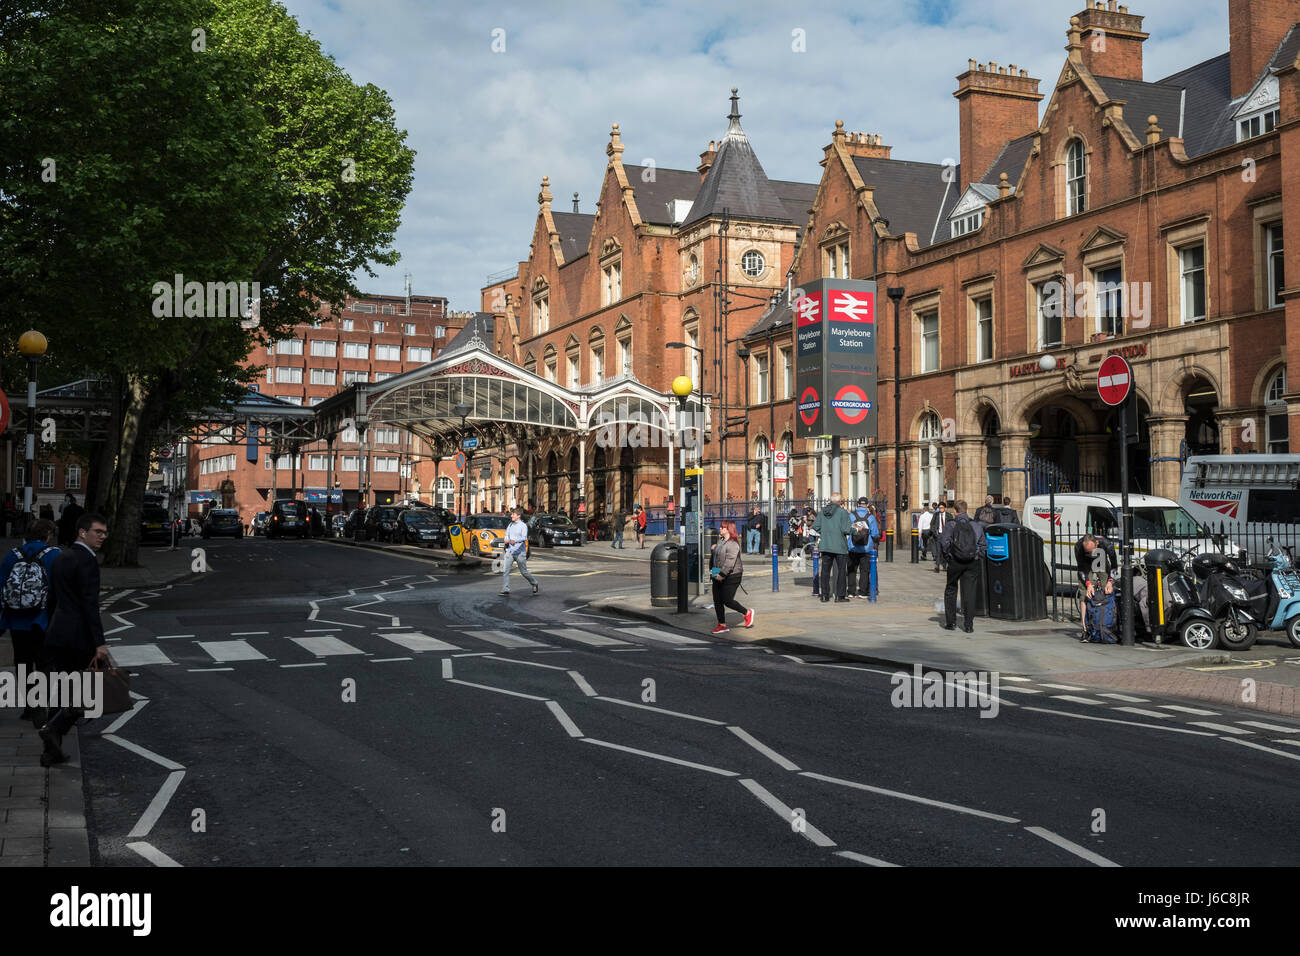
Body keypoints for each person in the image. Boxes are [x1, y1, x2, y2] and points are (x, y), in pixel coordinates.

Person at [38, 513, 110, 767]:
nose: (103, 536)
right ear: (82, 532)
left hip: (59, 633)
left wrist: (52, 628)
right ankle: (54, 728)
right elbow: (90, 606)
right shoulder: (87, 561)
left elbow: (52, 600)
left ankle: (50, 752)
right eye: (98, 532)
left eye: (104, 532)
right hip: (80, 637)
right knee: (88, 692)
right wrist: (99, 643)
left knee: (60, 689)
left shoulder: (61, 557)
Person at [0, 519, 60, 723]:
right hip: (42, 620)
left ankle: (29, 707)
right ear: (48, 536)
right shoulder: (54, 555)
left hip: (16, 621)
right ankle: (41, 709)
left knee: (23, 664)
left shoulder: (11, 555)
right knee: (44, 663)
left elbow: (1, 587)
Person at [939, 500, 986, 633]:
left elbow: (944, 542)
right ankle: (969, 625)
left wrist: (949, 556)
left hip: (955, 562)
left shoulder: (951, 525)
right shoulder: (976, 525)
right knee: (970, 593)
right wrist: (977, 556)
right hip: (972, 562)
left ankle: (951, 623)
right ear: (966, 510)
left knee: (951, 589)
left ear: (955, 511)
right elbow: (983, 545)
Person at [709, 521, 752, 634]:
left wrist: (721, 575)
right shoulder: (721, 541)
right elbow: (717, 558)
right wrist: (714, 549)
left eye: (722, 527)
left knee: (727, 600)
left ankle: (747, 613)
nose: (720, 529)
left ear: (729, 529)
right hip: (717, 572)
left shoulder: (733, 544)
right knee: (717, 600)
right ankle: (722, 625)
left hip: (732, 575)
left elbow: (730, 562)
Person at [1076, 532, 1119, 640]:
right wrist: (1088, 584)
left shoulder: (1107, 545)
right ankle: (1085, 630)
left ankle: (1108, 624)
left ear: (1097, 543)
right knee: (1084, 594)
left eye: (1092, 551)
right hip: (1085, 566)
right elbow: (1081, 568)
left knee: (1108, 591)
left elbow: (1114, 566)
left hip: (1101, 562)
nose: (1090, 553)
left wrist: (1110, 581)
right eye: (1087, 552)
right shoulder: (1078, 546)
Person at [812, 492, 852, 603]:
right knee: (841, 571)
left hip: (825, 545)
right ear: (840, 501)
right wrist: (856, 529)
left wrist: (824, 532)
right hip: (840, 546)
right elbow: (846, 529)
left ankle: (824, 596)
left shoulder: (822, 512)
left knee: (825, 571)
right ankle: (840, 596)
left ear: (830, 500)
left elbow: (815, 526)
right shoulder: (842, 512)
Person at [499, 507, 539, 596]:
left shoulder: (523, 525)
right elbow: (506, 535)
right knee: (506, 570)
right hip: (510, 551)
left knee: (524, 572)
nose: (511, 515)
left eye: (513, 514)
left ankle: (534, 583)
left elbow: (524, 537)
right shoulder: (510, 525)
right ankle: (505, 589)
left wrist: (514, 541)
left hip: (520, 553)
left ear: (518, 516)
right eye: (511, 514)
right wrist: (506, 539)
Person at [846, 497, 879, 600]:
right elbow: (875, 534)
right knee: (864, 570)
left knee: (852, 570)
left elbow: (846, 529)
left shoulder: (851, 515)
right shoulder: (870, 517)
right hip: (866, 548)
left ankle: (851, 592)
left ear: (858, 504)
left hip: (853, 547)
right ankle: (862, 592)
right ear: (867, 505)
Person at [931, 502, 949, 573]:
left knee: (945, 551)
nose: (941, 509)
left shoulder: (949, 515)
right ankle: (937, 566)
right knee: (938, 551)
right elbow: (932, 524)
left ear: (945, 508)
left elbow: (952, 525)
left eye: (942, 508)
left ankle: (945, 565)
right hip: (939, 534)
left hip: (946, 535)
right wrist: (935, 532)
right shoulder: (936, 515)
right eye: (939, 508)